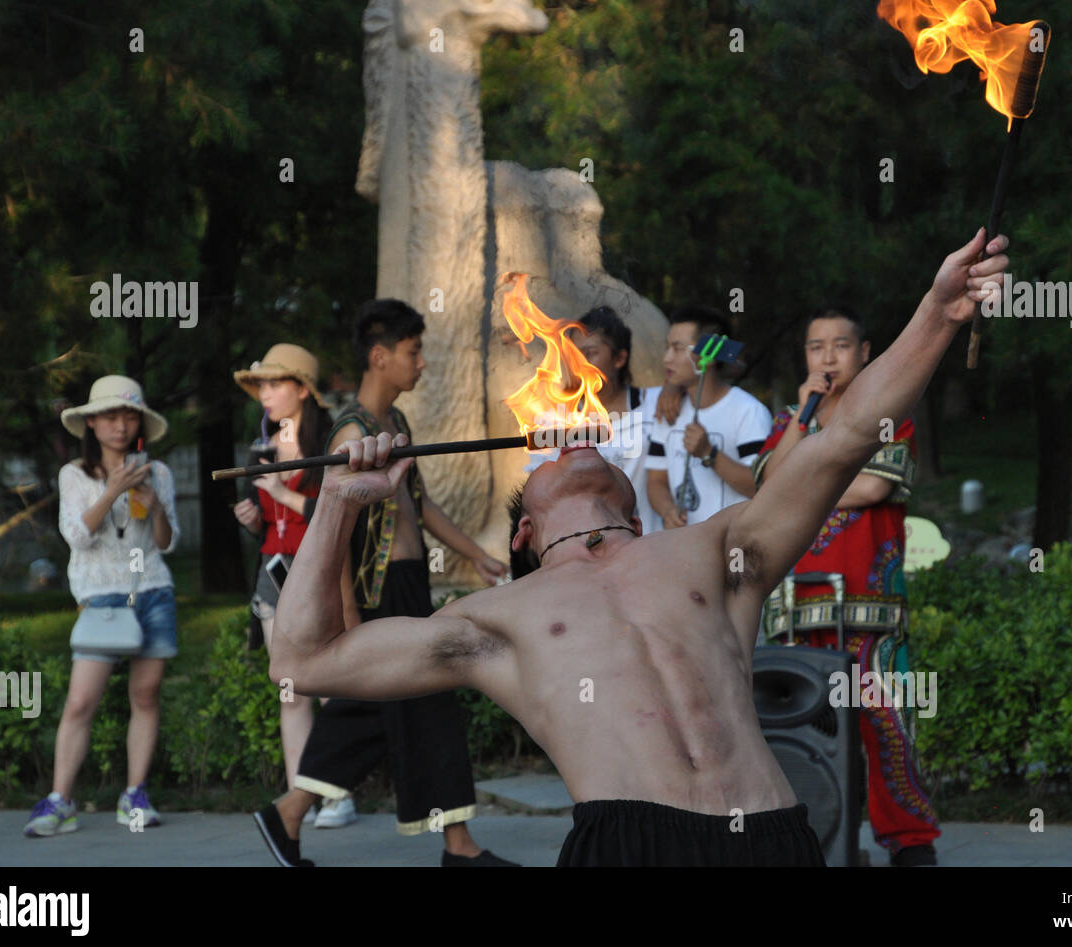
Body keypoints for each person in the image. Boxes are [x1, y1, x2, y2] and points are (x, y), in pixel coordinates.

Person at [269, 230, 1010, 866]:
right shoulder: (497, 621)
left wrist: (938, 315)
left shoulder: (715, 551)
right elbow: (301, 659)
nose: (572, 431)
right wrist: (335, 502)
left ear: (627, 492)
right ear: (525, 530)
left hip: (771, 835)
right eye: (550, 452)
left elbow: (845, 438)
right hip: (626, 842)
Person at [253, 299, 516, 866]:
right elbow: (336, 531)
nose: (421, 363)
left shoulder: (396, 425)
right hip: (376, 595)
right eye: (412, 352)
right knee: (425, 701)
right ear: (380, 356)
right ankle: (458, 846)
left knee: (389, 706)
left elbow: (421, 508)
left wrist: (478, 556)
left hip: (411, 583)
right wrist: (347, 619)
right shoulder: (352, 432)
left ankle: (290, 813)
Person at [754, 307, 940, 866]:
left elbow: (874, 489)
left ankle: (910, 846)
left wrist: (797, 488)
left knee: (886, 730)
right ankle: (820, 843)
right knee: (804, 739)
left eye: (840, 345)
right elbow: (766, 487)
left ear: (865, 353)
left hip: (869, 611)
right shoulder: (791, 418)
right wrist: (798, 429)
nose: (827, 357)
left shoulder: (889, 413)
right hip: (796, 612)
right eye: (815, 347)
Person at [26, 376, 180, 837]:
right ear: (91, 422)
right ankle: (60, 800)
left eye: (128, 415)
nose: (119, 424)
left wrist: (154, 508)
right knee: (80, 701)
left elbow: (168, 544)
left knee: (145, 696)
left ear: (140, 423)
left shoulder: (160, 473)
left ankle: (134, 794)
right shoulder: (74, 474)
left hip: (152, 590)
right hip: (101, 599)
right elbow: (76, 535)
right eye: (110, 416)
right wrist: (112, 490)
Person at [231, 344, 333, 819]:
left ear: (303, 388)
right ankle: (300, 799)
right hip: (273, 572)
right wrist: (252, 517)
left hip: (319, 572)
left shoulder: (331, 442)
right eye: (261, 387)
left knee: (331, 682)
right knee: (290, 686)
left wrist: (281, 495)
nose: (265, 395)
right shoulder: (260, 448)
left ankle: (335, 794)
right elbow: (267, 521)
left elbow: (334, 517)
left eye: (275, 384)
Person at [525, 306, 663, 534]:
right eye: (573, 355)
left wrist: (675, 391)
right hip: (584, 550)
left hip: (648, 544)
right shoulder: (555, 421)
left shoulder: (656, 405)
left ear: (619, 358)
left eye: (590, 353)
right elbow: (541, 493)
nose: (579, 363)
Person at [646, 306, 772, 528]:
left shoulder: (749, 412)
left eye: (677, 349)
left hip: (732, 548)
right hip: (683, 549)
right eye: (668, 348)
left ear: (709, 356)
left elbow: (762, 485)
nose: (666, 358)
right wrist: (667, 511)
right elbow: (656, 481)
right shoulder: (667, 410)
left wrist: (709, 453)